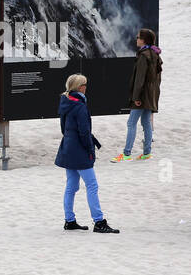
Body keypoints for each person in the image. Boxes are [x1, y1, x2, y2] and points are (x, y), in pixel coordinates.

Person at [56, 73, 118, 233]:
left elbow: (63, 128)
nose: (86, 88)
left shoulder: (66, 102)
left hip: (68, 148)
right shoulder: (80, 106)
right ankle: (99, 221)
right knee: (92, 185)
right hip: (78, 150)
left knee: (71, 186)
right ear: (79, 87)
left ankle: (69, 220)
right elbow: (84, 132)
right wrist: (90, 149)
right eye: (84, 85)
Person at [113, 28, 162, 162]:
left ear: (144, 40)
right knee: (146, 123)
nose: (136, 39)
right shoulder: (155, 54)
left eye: (138, 37)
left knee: (131, 123)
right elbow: (157, 79)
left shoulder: (143, 56)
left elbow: (139, 79)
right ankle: (147, 153)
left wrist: (136, 97)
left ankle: (126, 154)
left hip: (142, 95)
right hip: (151, 94)